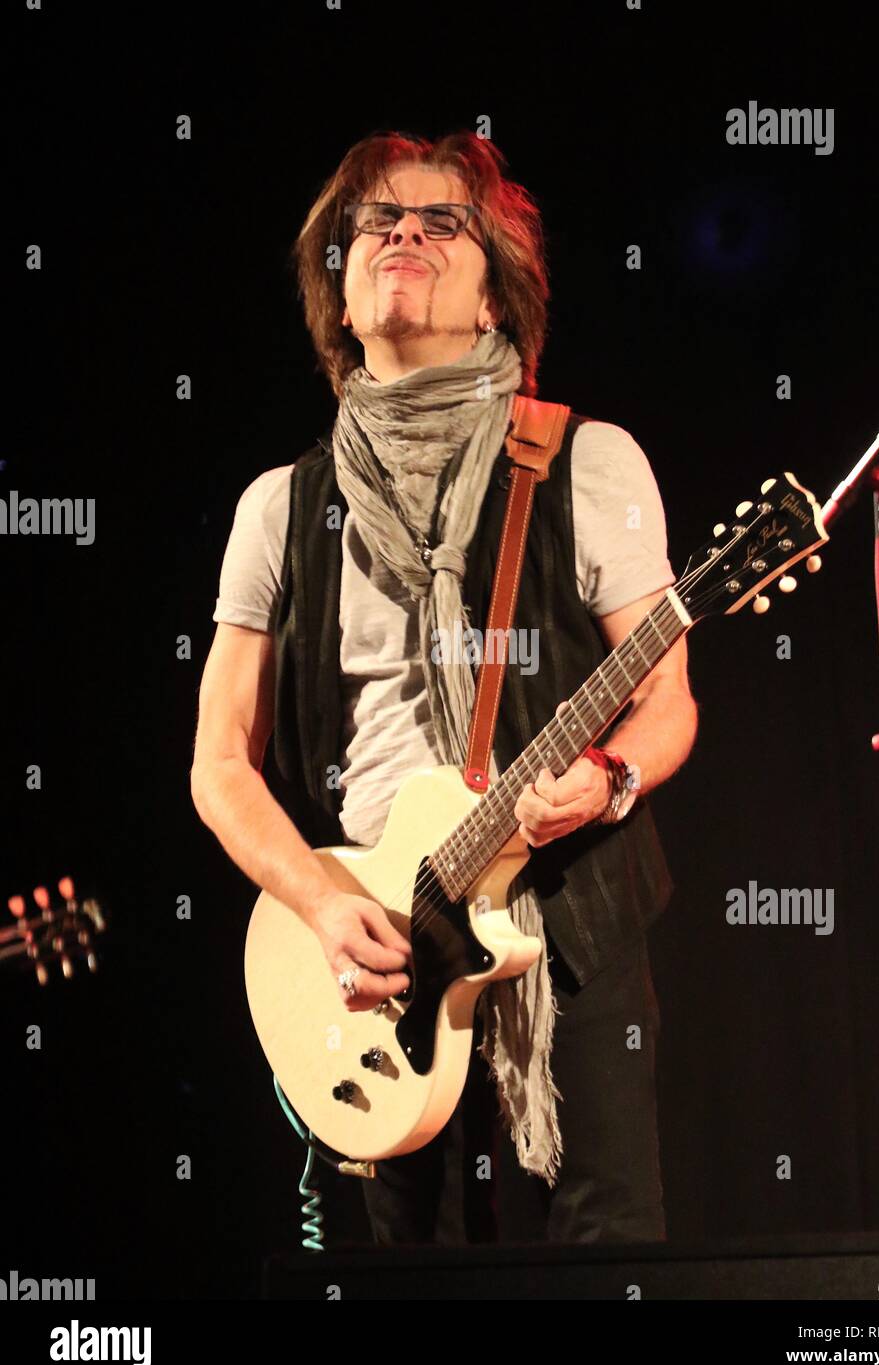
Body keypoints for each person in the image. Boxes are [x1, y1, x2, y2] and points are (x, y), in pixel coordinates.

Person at [190, 129, 698, 1246]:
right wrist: (324, 906)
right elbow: (218, 762)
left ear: (496, 298)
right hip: (370, 943)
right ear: (339, 284)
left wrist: (607, 777)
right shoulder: (279, 507)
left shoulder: (586, 460)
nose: (401, 236)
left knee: (604, 1254)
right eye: (376, 222)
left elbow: (666, 703)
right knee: (393, 1277)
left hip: (565, 915)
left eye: (437, 222)